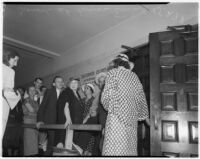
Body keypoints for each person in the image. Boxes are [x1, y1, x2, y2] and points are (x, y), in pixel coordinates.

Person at [101, 53, 149, 156]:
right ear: (127, 64)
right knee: (129, 148)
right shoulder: (134, 76)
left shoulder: (113, 73)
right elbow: (141, 97)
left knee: (113, 149)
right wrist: (144, 116)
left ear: (116, 63)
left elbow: (107, 96)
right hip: (131, 119)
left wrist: (112, 107)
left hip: (116, 117)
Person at [36, 76, 64, 156]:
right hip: (51, 121)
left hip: (60, 122)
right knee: (52, 143)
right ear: (54, 84)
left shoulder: (64, 92)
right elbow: (42, 106)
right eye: (58, 81)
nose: (60, 83)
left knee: (57, 143)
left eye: (61, 81)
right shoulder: (49, 91)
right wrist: (40, 120)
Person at [55, 78, 84, 154]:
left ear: (78, 85)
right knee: (65, 147)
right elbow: (66, 106)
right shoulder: (68, 92)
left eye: (76, 83)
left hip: (76, 122)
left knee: (70, 147)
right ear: (69, 84)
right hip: (70, 122)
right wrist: (68, 119)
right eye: (72, 83)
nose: (74, 84)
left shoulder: (76, 94)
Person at [2, 48, 21, 137]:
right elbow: (7, 92)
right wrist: (18, 96)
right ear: (8, 58)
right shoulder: (10, 71)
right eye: (15, 60)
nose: (16, 64)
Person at [80, 83, 99, 156]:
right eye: (85, 88)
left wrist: (86, 119)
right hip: (81, 123)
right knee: (81, 146)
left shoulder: (94, 100)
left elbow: (92, 111)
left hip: (90, 123)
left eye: (87, 88)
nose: (85, 89)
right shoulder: (82, 100)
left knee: (89, 144)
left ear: (91, 90)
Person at [22, 85, 39, 156]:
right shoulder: (26, 100)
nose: (32, 91)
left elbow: (36, 111)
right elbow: (31, 110)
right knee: (28, 143)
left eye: (33, 90)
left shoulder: (35, 102)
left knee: (34, 142)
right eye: (30, 90)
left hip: (35, 121)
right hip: (28, 122)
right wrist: (37, 111)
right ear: (28, 92)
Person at [94, 72, 107, 153]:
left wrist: (105, 126)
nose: (102, 83)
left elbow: (107, 111)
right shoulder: (101, 93)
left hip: (107, 125)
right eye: (100, 82)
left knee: (103, 148)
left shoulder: (107, 92)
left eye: (103, 81)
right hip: (103, 125)